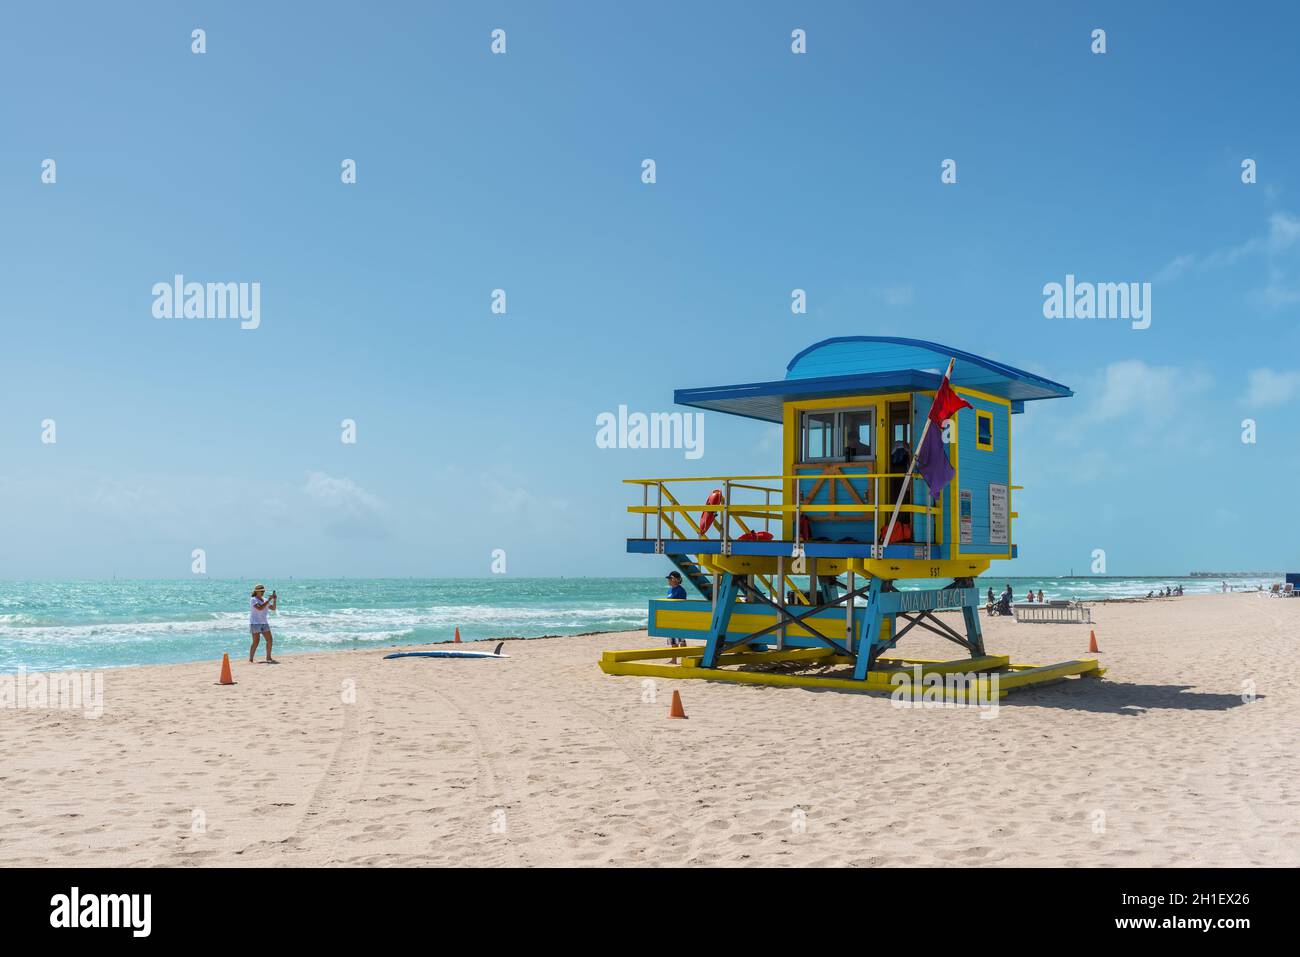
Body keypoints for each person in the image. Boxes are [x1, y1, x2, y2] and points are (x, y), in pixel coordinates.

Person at [249, 583, 278, 663]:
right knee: (256, 642)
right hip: (255, 623)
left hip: (264, 622)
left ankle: (268, 657)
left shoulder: (264, 599)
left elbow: (273, 608)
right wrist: (269, 600)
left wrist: (274, 600)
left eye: (263, 591)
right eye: (261, 591)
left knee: (270, 640)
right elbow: (260, 608)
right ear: (256, 591)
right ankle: (251, 659)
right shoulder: (253, 599)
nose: (262, 592)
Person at [665, 572, 688, 648]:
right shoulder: (670, 590)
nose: (669, 580)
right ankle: (674, 659)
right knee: (673, 640)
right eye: (668, 579)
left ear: (676, 580)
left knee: (681, 640)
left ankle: (684, 657)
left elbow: (681, 604)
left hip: (679, 617)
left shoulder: (681, 590)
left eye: (670, 578)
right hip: (670, 617)